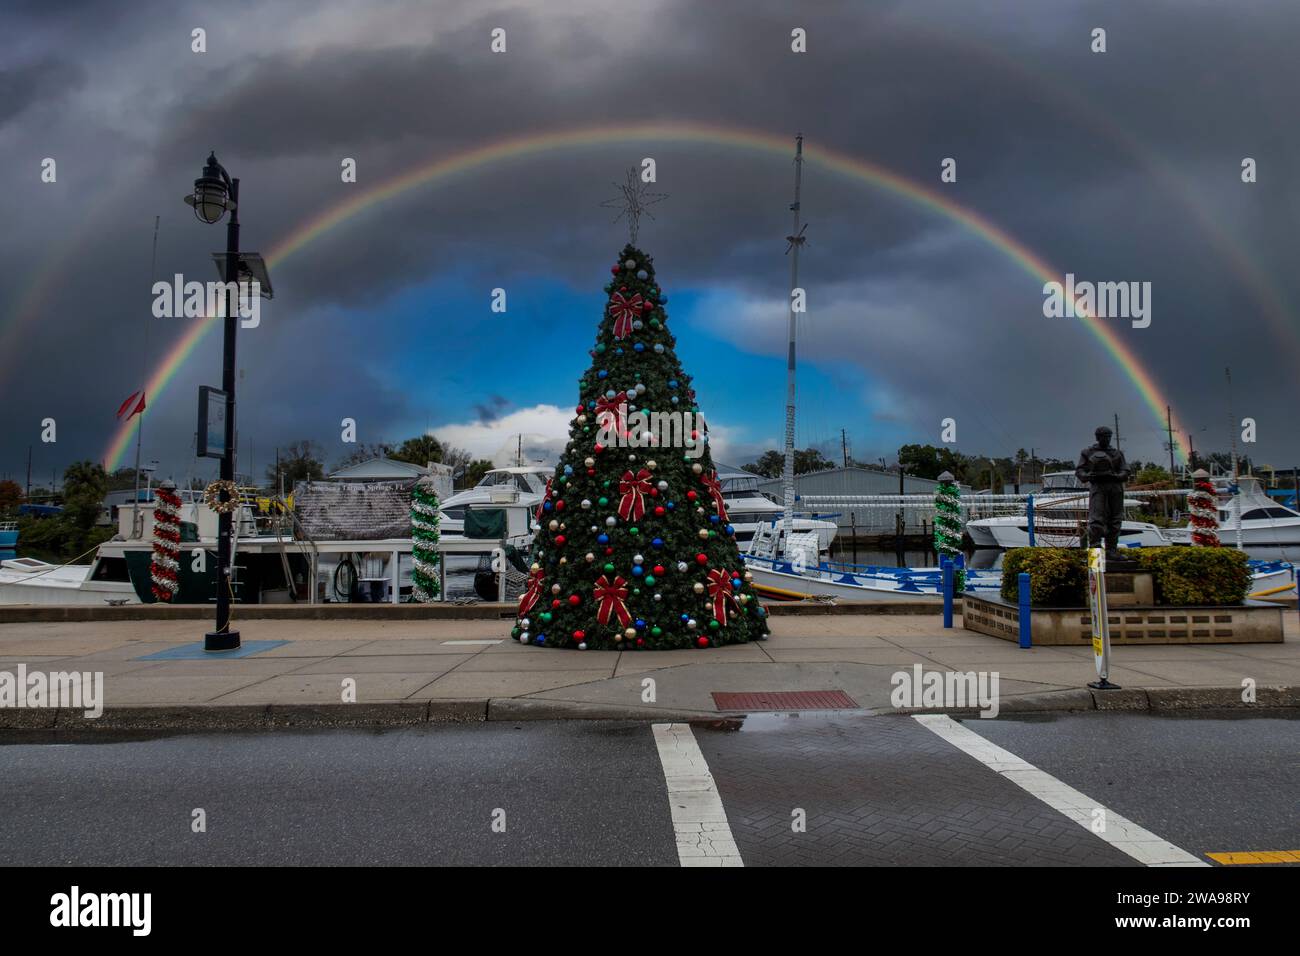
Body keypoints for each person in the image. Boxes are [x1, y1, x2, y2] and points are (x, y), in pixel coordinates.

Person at [1075, 425, 1129, 554]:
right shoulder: (1088, 452)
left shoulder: (1117, 453)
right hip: (1098, 487)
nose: (1107, 439)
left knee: (1116, 519)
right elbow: (1080, 471)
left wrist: (1116, 476)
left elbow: (1125, 471)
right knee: (1096, 518)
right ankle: (1095, 548)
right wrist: (1088, 476)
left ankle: (1112, 549)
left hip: (1115, 487)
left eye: (1109, 436)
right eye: (1104, 436)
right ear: (1097, 437)